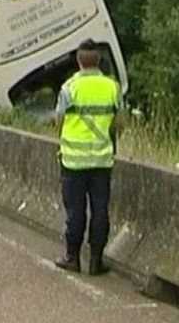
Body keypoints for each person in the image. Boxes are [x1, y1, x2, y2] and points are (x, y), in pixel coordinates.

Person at [51, 39, 123, 276]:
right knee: (100, 209)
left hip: (73, 160)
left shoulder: (69, 88)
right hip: (102, 160)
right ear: (99, 60)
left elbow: (59, 122)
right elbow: (120, 124)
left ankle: (72, 257)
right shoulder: (112, 87)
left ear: (79, 60)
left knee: (75, 210)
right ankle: (96, 261)